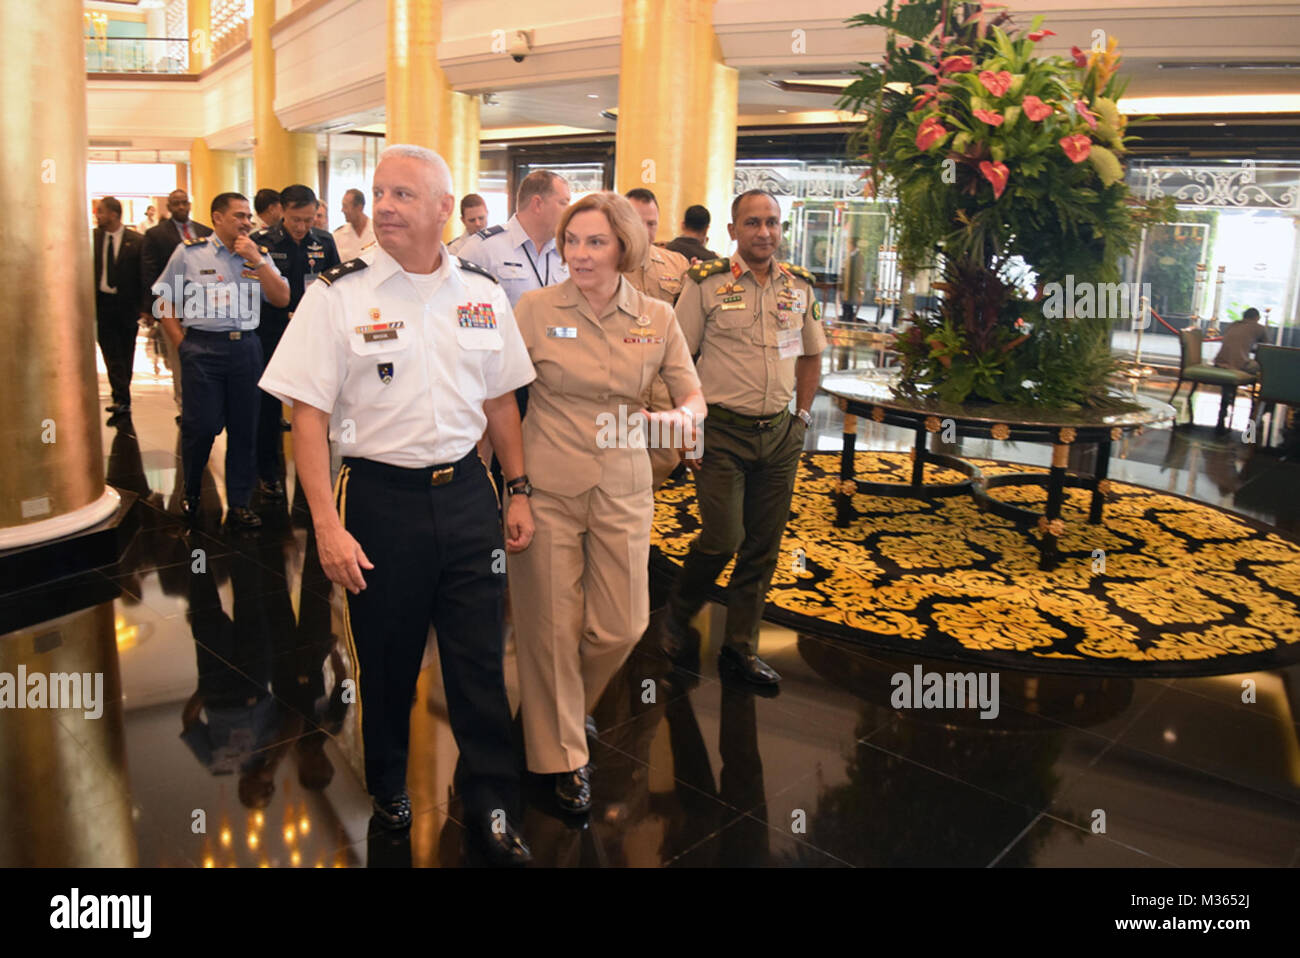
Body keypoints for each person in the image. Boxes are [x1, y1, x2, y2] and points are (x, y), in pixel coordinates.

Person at [258, 144, 535, 865]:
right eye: (379, 193)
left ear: (446, 208)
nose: (383, 206)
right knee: (385, 663)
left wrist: (520, 488)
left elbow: (502, 399)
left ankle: (492, 805)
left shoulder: (481, 293)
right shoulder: (336, 295)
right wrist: (326, 527)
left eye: (403, 195)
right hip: (380, 502)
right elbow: (308, 417)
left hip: (470, 495)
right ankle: (389, 791)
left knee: (479, 663)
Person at [510, 191, 704, 813]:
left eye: (596, 241)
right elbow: (500, 400)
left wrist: (679, 418)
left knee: (622, 625)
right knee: (548, 625)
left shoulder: (656, 315)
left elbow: (693, 397)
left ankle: (558, 712)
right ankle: (562, 756)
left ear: (624, 245)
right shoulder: (535, 309)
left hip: (625, 479)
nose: (581, 254)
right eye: (572, 241)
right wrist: (508, 486)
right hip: (547, 484)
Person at [661, 189, 827, 686]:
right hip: (721, 433)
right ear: (732, 231)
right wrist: (687, 429)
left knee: (763, 545)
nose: (764, 232)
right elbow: (678, 359)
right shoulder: (706, 284)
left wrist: (800, 417)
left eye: (772, 223)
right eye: (753, 223)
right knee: (723, 537)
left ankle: (740, 648)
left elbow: (812, 355)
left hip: (779, 434)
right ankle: (678, 610)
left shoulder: (799, 287)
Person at [154, 192, 290, 529]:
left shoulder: (256, 255)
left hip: (246, 348)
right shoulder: (190, 254)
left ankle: (241, 502)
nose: (246, 222)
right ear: (217, 218)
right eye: (239, 216)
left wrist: (257, 261)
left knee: (245, 428)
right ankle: (192, 490)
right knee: (200, 427)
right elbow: (163, 299)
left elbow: (281, 297)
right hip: (202, 349)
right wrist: (182, 344)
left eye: (248, 216)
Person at [251, 184, 341, 502]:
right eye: (295, 220)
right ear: (282, 212)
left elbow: (336, 286)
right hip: (272, 331)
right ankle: (268, 473)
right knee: (267, 408)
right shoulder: (261, 243)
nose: (302, 227)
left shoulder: (325, 242)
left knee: (315, 403)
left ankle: (315, 474)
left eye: (308, 219)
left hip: (313, 332)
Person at [624, 187, 692, 487]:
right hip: (621, 383)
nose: (646, 231)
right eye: (638, 222)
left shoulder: (676, 264)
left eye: (651, 223)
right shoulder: (602, 264)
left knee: (665, 457)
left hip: (663, 385)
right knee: (617, 460)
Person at [142, 189, 213, 419]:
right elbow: (150, 272)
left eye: (184, 203)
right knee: (178, 354)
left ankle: (203, 400)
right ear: (169, 207)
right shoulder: (156, 235)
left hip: (202, 304)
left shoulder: (205, 232)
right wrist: (155, 307)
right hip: (173, 304)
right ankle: (184, 404)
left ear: (190, 204)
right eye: (176, 204)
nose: (181, 207)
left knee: (203, 353)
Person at [456, 171, 571, 308]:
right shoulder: (483, 249)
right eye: (563, 203)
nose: (569, 211)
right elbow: (456, 306)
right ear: (537, 204)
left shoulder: (565, 253)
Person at [92, 196, 145, 422]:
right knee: (109, 351)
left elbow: (144, 276)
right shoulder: (92, 238)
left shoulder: (137, 241)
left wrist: (146, 308)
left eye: (101, 211)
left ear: (113, 214)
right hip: (103, 303)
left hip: (127, 305)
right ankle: (121, 398)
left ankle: (122, 395)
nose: (98, 215)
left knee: (126, 351)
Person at [1212, 306, 1270, 432]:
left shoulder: (1233, 325)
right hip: (1238, 364)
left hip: (1219, 362)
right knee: (1261, 366)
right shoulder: (1259, 328)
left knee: (1237, 362)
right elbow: (1266, 347)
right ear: (1257, 318)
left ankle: (1226, 401)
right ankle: (1265, 402)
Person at [332, 188, 375, 261]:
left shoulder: (378, 232)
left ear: (359, 207)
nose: (342, 210)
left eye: (345, 206)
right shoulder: (337, 236)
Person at [840, 235, 866, 323]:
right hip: (848, 285)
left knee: (848, 306)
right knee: (846, 306)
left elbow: (858, 272)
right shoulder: (851, 255)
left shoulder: (858, 256)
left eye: (848, 244)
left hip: (852, 285)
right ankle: (847, 319)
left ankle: (848, 321)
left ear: (852, 245)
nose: (847, 246)